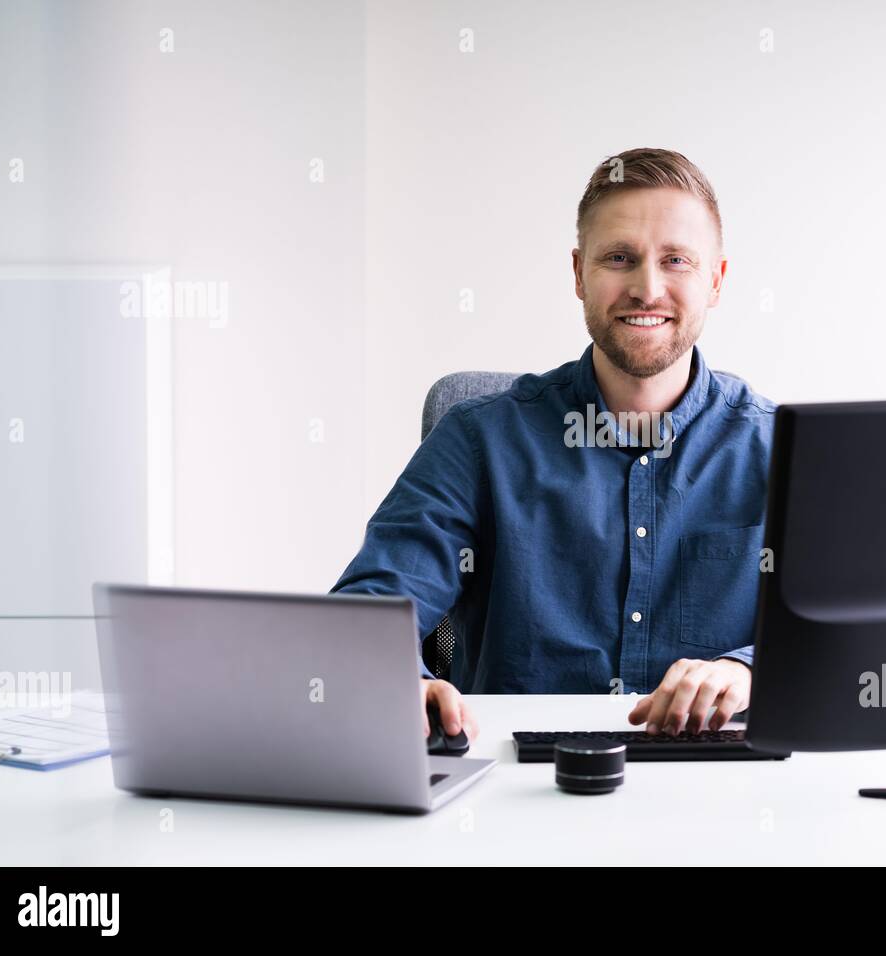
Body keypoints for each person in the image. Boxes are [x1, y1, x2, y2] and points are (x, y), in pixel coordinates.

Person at [332, 147, 776, 744]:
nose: (647, 289)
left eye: (677, 261)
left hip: (718, 794)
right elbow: (370, 607)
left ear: (716, 280)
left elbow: (845, 634)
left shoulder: (779, 448)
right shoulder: (479, 437)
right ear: (578, 273)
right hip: (516, 792)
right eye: (619, 258)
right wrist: (395, 678)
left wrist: (747, 667)